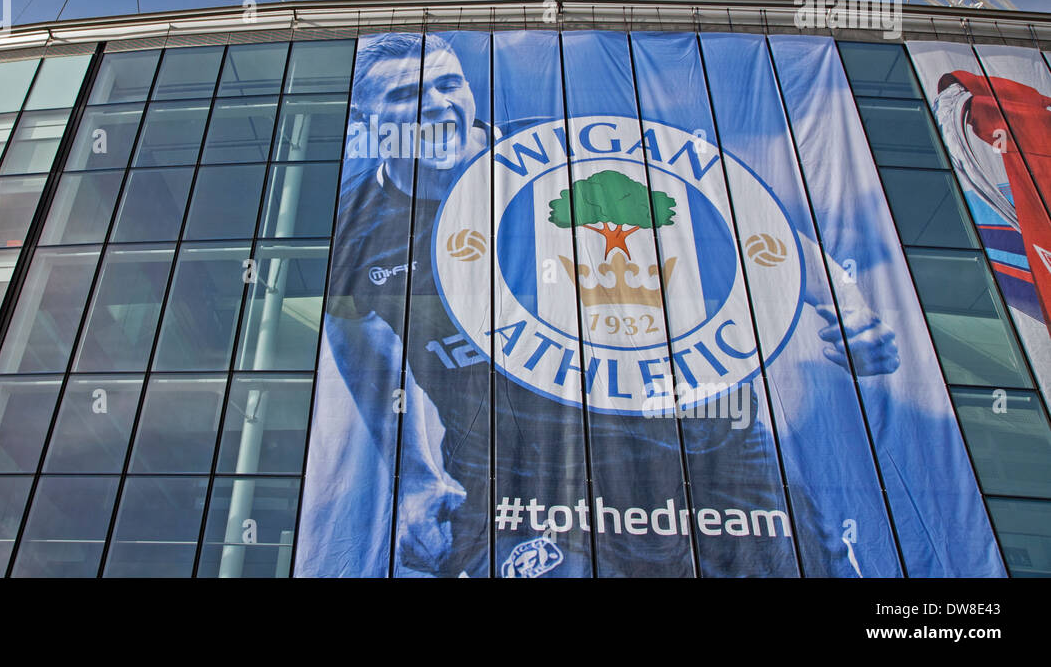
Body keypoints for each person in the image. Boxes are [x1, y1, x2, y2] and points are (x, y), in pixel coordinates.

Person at [300, 33, 899, 577]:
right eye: (408, 94)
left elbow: (748, 220)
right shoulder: (354, 229)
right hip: (517, 475)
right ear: (364, 120)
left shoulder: (559, 155)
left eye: (449, 83)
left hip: (704, 443)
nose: (436, 104)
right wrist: (414, 480)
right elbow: (360, 342)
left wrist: (847, 308)